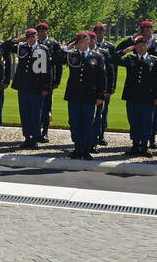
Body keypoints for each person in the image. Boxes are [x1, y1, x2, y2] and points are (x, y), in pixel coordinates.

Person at [114, 20, 157, 148]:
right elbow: (114, 57)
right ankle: (135, 144)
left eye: (148, 29)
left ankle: (150, 140)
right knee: (134, 119)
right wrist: (130, 46)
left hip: (149, 92)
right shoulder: (131, 57)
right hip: (134, 93)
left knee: (150, 118)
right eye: (143, 30)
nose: (141, 47)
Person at [60, 31, 106, 160]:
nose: (83, 44)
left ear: (89, 42)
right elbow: (58, 58)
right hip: (74, 95)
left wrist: (100, 96)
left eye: (85, 41)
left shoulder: (96, 56)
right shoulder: (72, 55)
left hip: (89, 95)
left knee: (87, 122)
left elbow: (102, 78)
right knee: (74, 122)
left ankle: (86, 148)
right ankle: (77, 147)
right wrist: (69, 46)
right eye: (80, 42)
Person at [6, 28, 50, 148]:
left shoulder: (42, 50)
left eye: (33, 36)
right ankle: (27, 137)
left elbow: (46, 71)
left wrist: (46, 87)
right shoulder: (22, 47)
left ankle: (35, 137)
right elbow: (6, 45)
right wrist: (17, 40)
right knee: (24, 113)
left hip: (36, 87)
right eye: (28, 37)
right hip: (23, 86)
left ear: (37, 37)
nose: (31, 39)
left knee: (35, 113)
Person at [34, 21, 64, 143]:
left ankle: (45, 131)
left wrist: (57, 80)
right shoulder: (33, 44)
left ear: (48, 32)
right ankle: (35, 131)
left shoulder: (54, 45)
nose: (41, 33)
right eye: (39, 31)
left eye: (43, 31)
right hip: (35, 80)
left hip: (48, 80)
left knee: (46, 107)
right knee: (35, 107)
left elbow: (59, 64)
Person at [90, 23, 118, 147]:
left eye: (101, 32)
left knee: (102, 111)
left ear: (104, 33)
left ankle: (101, 134)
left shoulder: (109, 47)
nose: (99, 34)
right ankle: (92, 135)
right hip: (91, 85)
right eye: (96, 32)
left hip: (104, 85)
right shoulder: (88, 46)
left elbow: (113, 68)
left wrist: (111, 86)